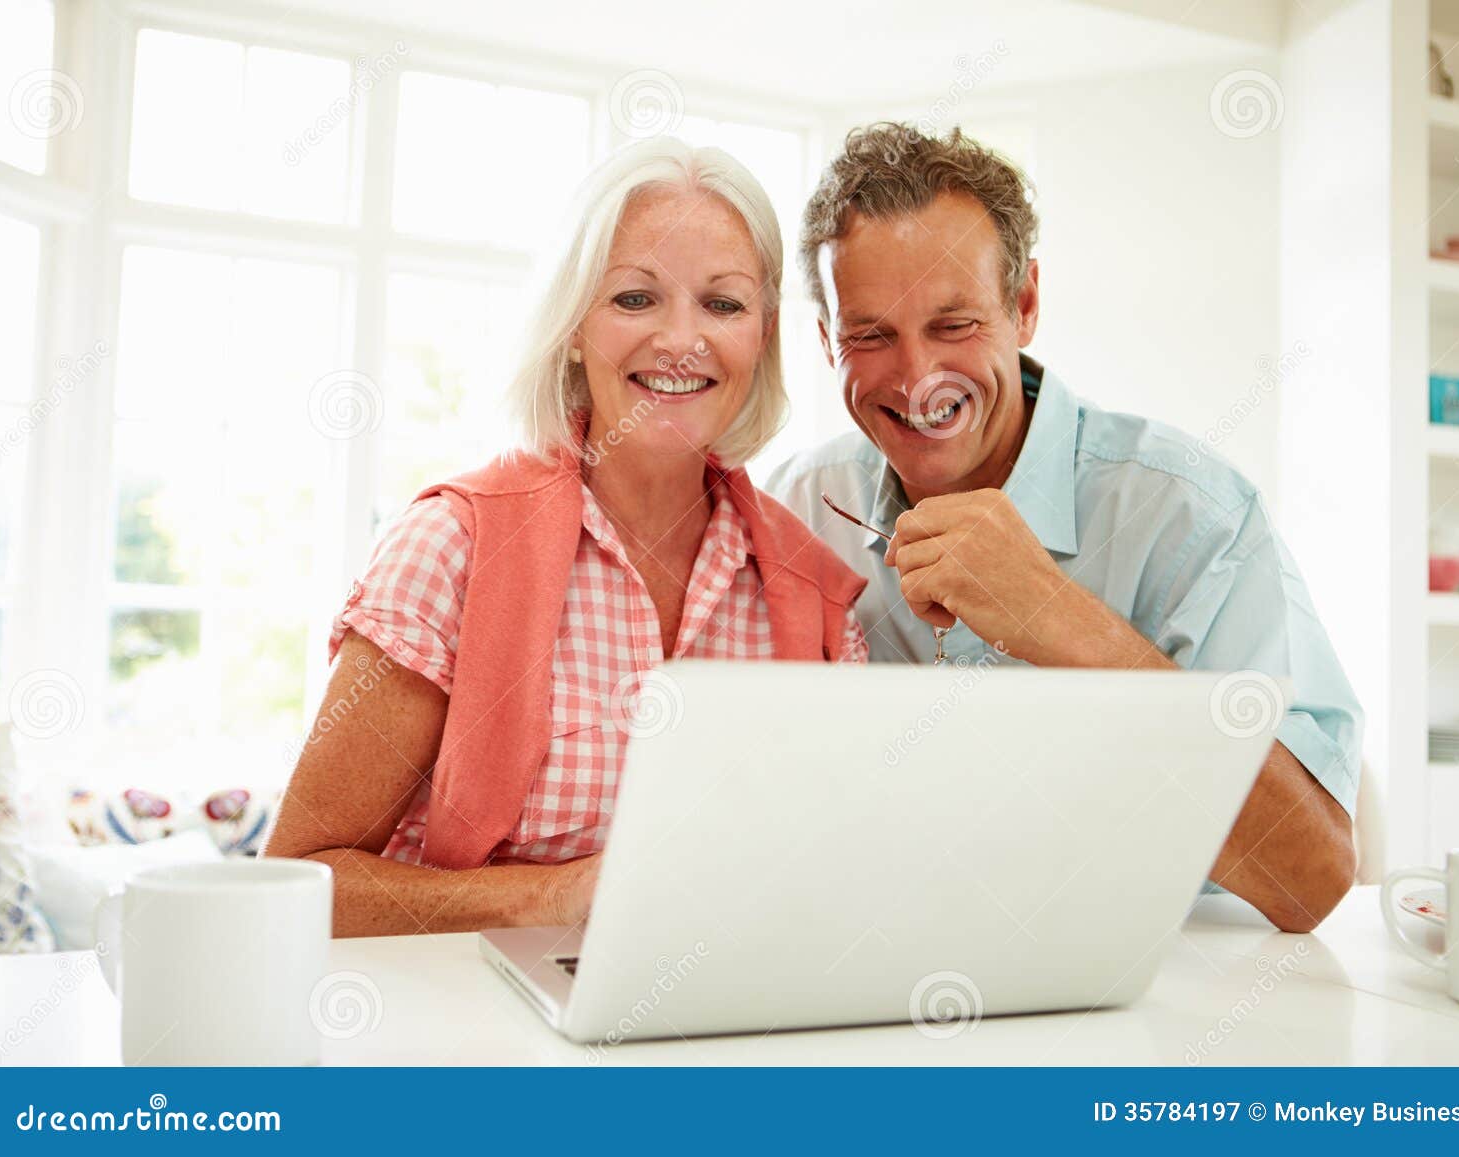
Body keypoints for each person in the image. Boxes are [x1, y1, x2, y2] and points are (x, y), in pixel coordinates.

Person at [768, 123, 1362, 932]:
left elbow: (1312, 876)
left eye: (954, 324)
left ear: (1025, 305)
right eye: (870, 335)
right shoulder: (799, 507)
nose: (916, 378)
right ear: (826, 341)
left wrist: (1057, 619)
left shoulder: (1192, 515)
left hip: (1161, 994)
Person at [265, 139, 868, 936]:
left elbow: (841, 874)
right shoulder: (452, 550)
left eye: (723, 304)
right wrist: (549, 896)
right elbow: (297, 886)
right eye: (635, 298)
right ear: (574, 326)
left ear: (761, 339)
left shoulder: (812, 592)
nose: (682, 339)